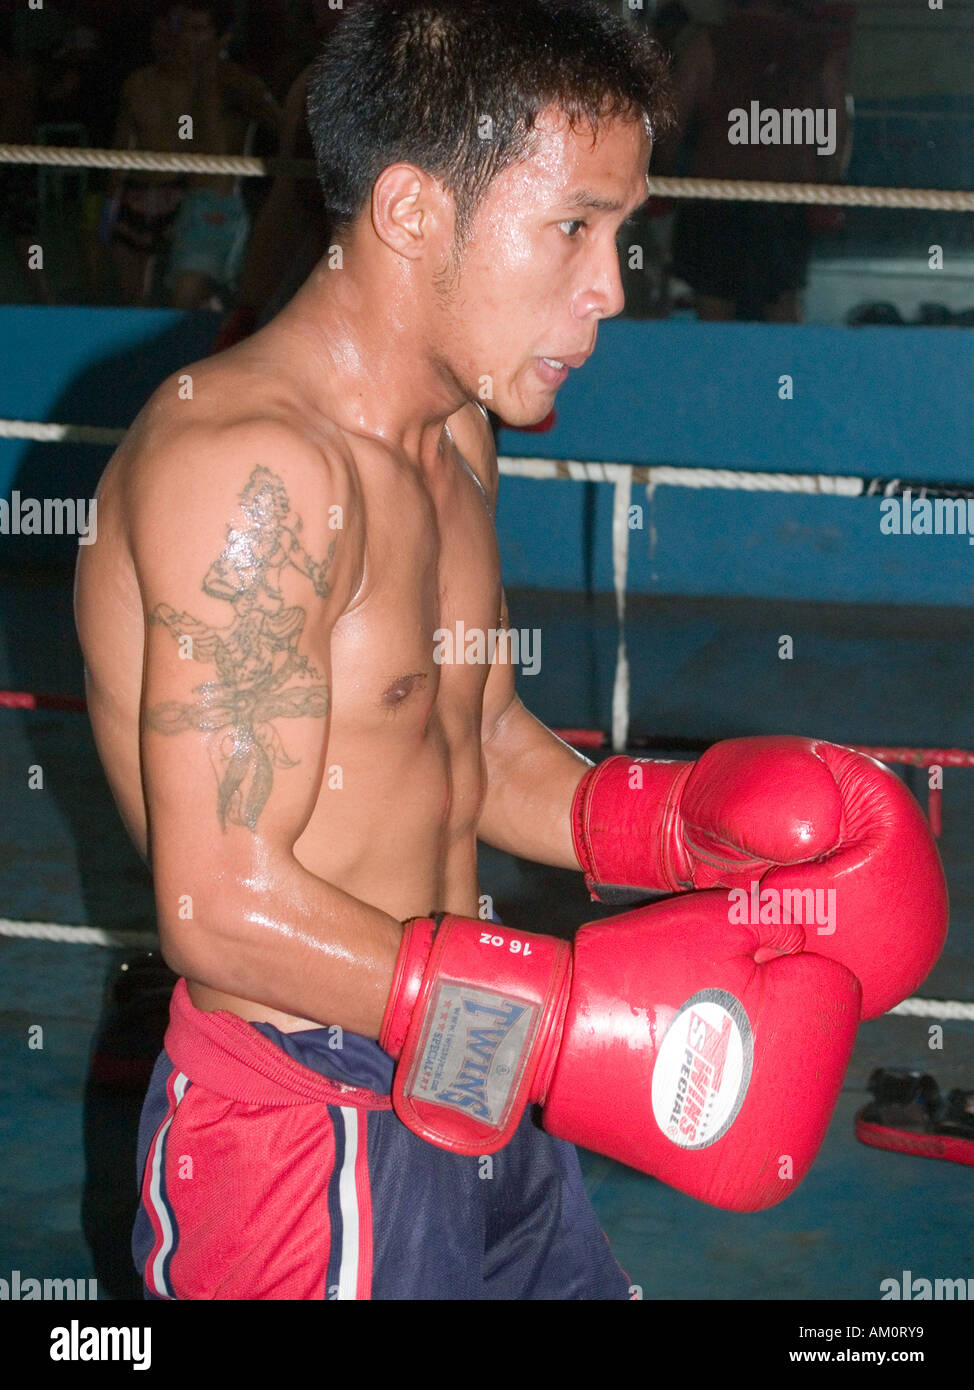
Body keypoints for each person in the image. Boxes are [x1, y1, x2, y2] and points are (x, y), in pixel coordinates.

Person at [75, 0, 944, 1301]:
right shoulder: (246, 471)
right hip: (306, 1131)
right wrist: (556, 1025)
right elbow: (217, 909)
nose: (608, 284)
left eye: (621, 232)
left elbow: (475, 740)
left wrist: (680, 825)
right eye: (571, 228)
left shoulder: (452, 437)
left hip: (470, 1073)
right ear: (416, 212)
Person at [656, 0, 852, 323]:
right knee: (781, 307)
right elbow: (837, 125)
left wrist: (661, 177)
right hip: (782, 203)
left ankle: (726, 371)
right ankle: (786, 373)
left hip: (717, 201)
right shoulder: (815, 51)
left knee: (715, 311)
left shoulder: (709, 46)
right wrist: (828, 187)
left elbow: (672, 121)